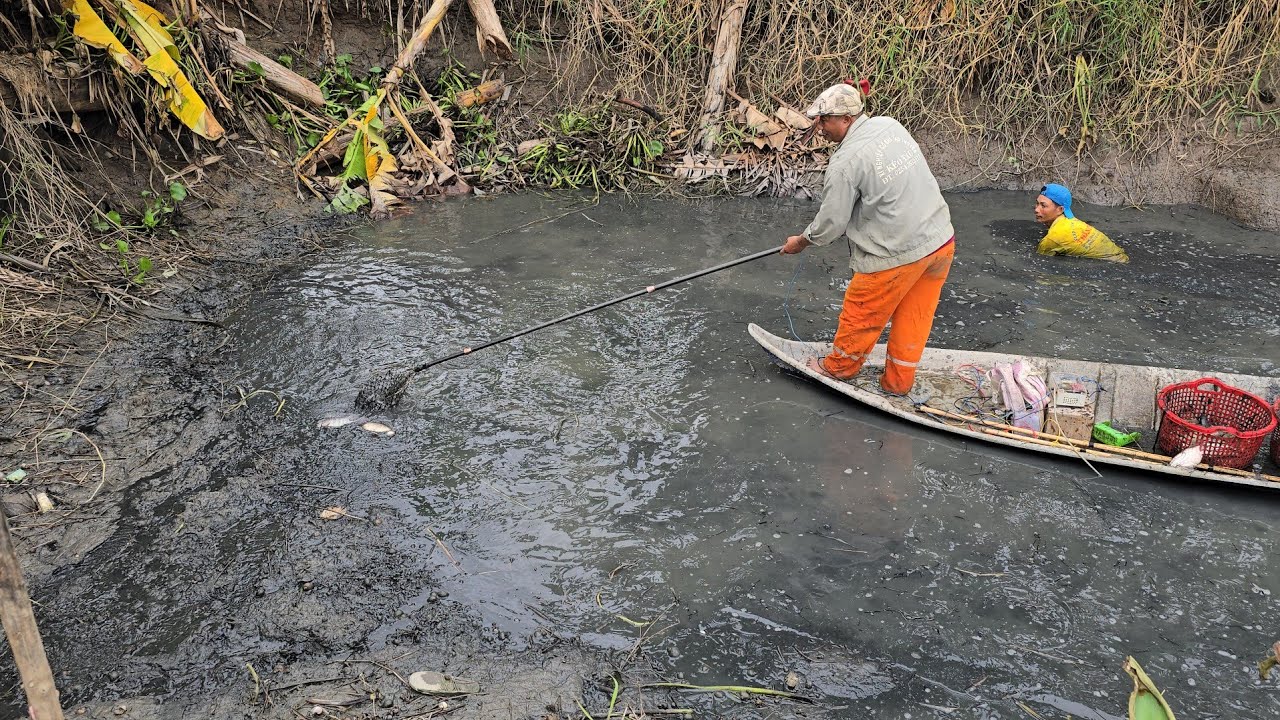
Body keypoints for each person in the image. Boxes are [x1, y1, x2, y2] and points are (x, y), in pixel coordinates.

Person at [780, 82, 955, 395]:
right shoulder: (890, 126)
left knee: (861, 310)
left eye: (825, 120)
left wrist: (801, 241)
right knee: (914, 317)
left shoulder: (844, 163)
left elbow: (831, 225)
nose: (819, 127)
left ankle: (839, 368)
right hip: (940, 242)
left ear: (846, 119)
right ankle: (898, 384)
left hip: (896, 253)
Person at [1034, 183, 1128, 263]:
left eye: (1043, 205)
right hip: (1121, 258)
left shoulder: (1052, 239)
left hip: (1112, 264)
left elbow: (1040, 260)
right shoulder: (1073, 222)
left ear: (1060, 210)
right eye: (1037, 203)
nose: (1036, 209)